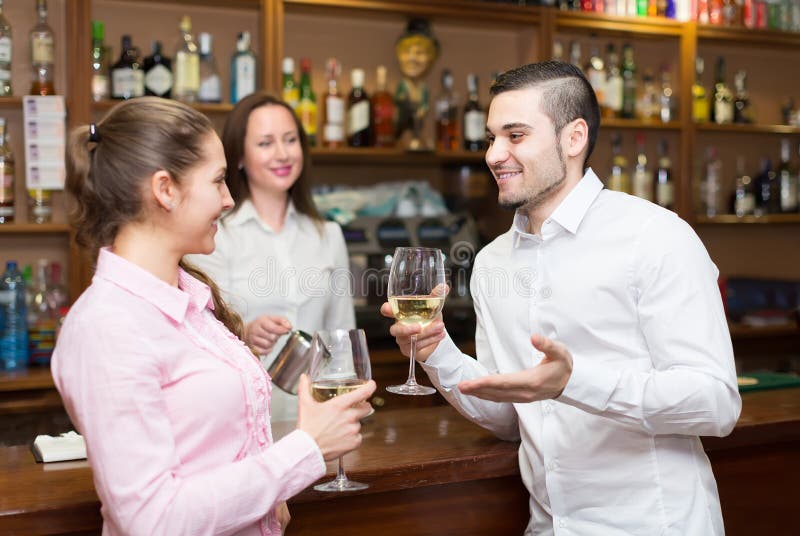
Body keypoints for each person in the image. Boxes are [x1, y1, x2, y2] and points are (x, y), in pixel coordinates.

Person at [382, 61, 741, 535]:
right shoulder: (492, 263)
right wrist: (437, 353)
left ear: (573, 139)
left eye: (515, 135)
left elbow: (715, 404)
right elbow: (511, 416)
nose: (493, 155)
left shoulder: (655, 236)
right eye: (491, 138)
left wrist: (575, 381)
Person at [52, 97, 375, 535]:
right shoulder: (106, 326)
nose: (227, 199)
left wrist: (269, 496)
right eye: (219, 180)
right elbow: (152, 520)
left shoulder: (191, 301)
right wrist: (303, 452)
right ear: (165, 190)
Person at [186, 93, 355, 422]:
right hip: (241, 419)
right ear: (238, 157)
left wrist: (347, 413)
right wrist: (243, 333)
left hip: (317, 422)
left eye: (290, 140)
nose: (282, 154)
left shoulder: (328, 235)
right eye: (265, 143)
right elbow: (196, 339)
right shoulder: (213, 235)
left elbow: (342, 340)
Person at [394, 18, 439, 149]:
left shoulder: (423, 88)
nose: (412, 58)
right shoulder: (404, 85)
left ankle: (418, 138)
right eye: (407, 52)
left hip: (418, 119)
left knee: (418, 126)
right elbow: (399, 101)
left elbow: (424, 102)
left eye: (419, 53)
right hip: (406, 119)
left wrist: (422, 109)